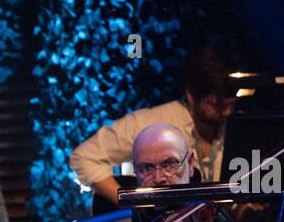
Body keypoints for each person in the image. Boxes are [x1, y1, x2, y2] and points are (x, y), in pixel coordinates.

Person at [70, 46, 238, 206]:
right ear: (191, 95)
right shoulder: (154, 122)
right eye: (216, 104)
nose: (227, 111)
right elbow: (84, 157)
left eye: (231, 103)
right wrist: (133, 206)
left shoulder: (239, 129)